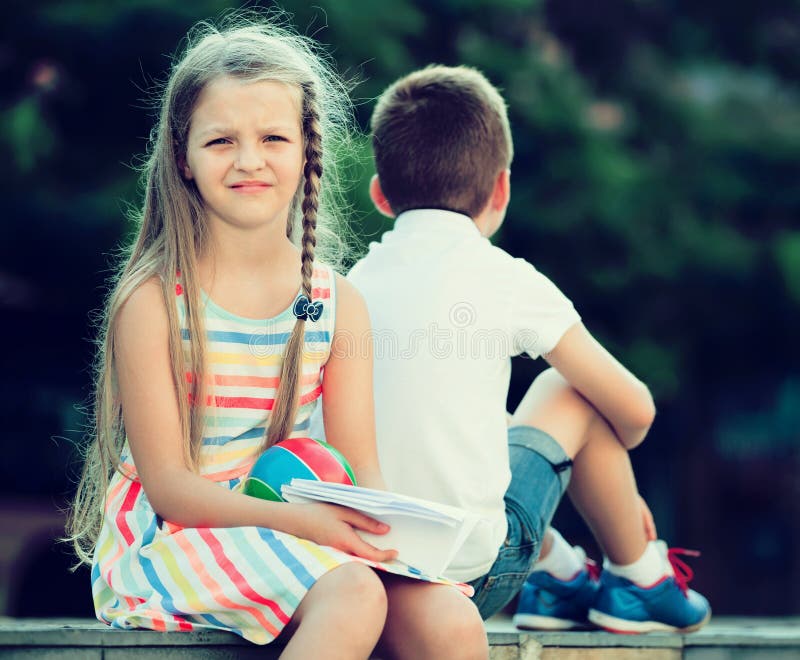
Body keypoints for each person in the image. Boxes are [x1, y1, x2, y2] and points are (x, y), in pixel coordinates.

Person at [66, 21, 489, 660]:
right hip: (174, 540)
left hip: (298, 534)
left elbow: (358, 469)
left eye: (272, 138)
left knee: (452, 624)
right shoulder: (153, 301)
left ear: (306, 151)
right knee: (353, 595)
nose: (248, 159)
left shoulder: (336, 303)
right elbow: (170, 489)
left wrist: (389, 539)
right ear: (183, 156)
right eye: (220, 140)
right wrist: (311, 529)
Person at [344, 64, 711, 633]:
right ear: (502, 188)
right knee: (571, 389)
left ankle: (559, 576)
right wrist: (619, 483)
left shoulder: (352, 283)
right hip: (472, 579)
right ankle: (640, 575)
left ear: (380, 195)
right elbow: (636, 409)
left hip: (364, 568)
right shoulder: (504, 277)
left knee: (459, 437)